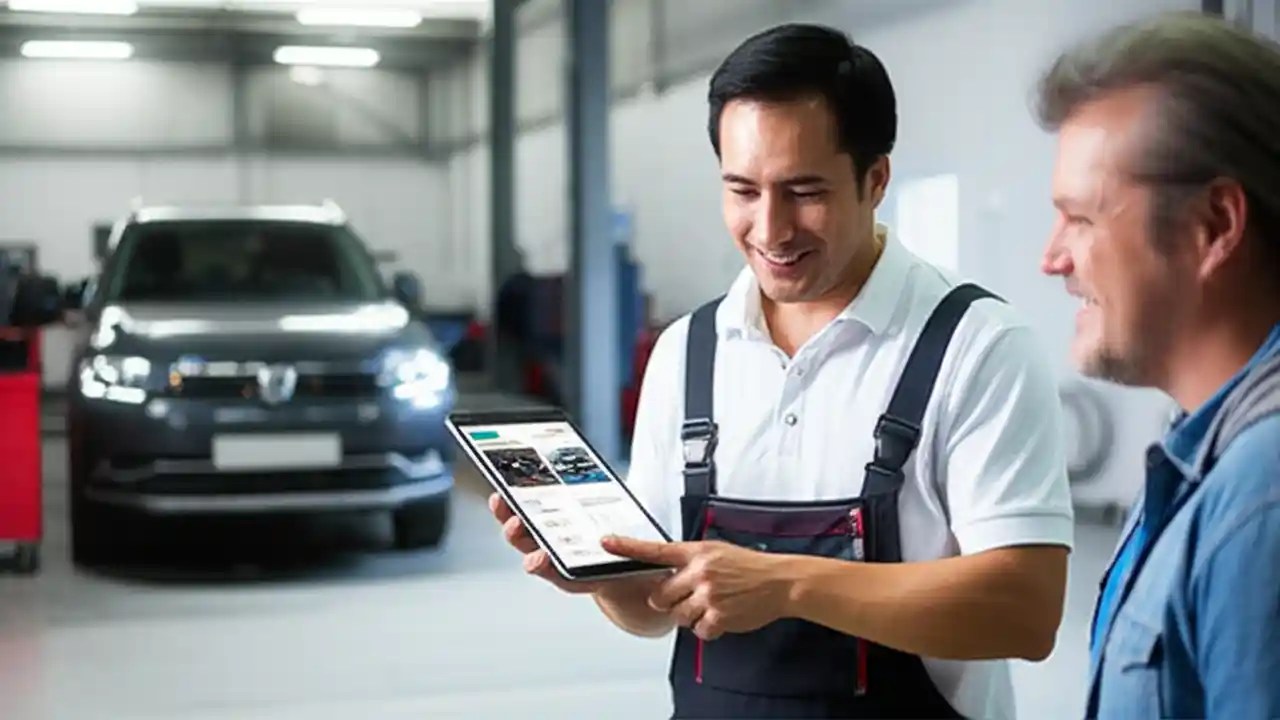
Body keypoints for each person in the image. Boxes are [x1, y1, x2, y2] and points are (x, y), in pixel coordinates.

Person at [490, 23, 1074, 719]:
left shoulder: (977, 348)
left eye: (804, 191)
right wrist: (595, 574)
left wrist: (785, 583)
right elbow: (658, 611)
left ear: (875, 178)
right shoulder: (687, 353)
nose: (770, 230)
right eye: (742, 190)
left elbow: (1025, 612)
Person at [1032, 11, 1280, 719]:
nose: (1052, 258)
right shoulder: (1198, 458)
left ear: (1215, 227)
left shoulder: (1261, 497)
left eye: (1081, 218)